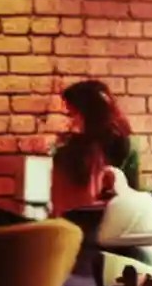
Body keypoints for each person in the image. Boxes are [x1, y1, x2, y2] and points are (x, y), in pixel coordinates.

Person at [50, 80, 140, 216]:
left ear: (88, 113)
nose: (69, 122)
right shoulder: (72, 146)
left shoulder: (122, 146)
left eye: (72, 113)